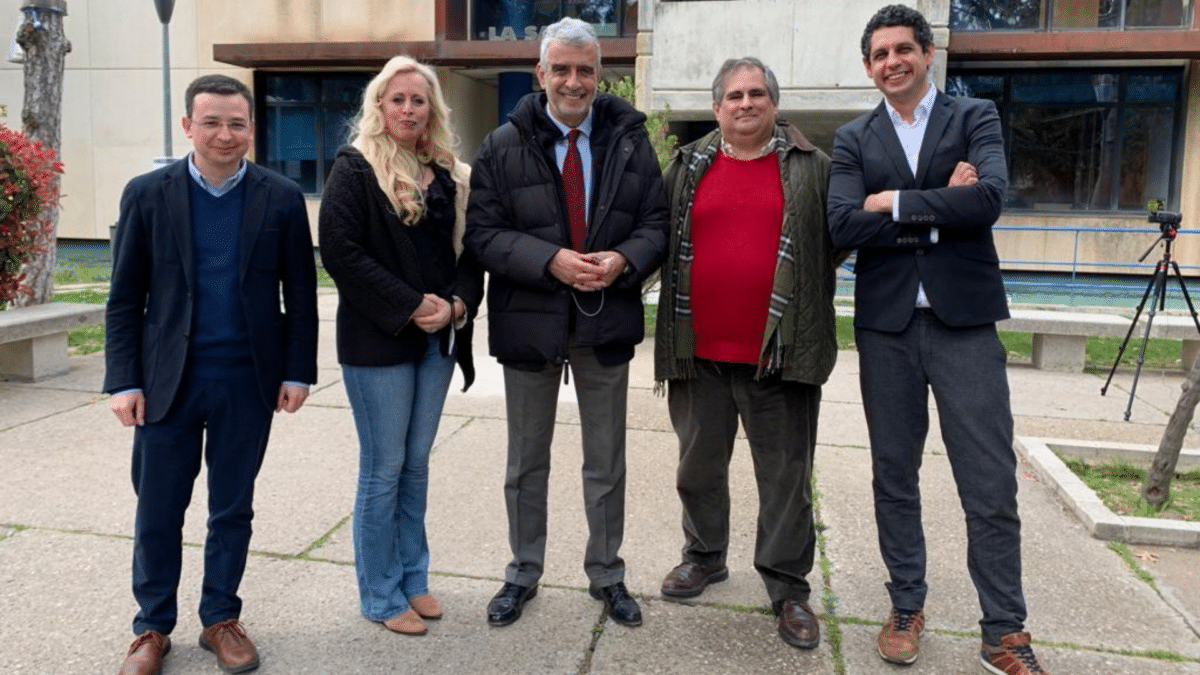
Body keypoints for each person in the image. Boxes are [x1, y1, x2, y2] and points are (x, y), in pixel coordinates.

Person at [827, 5, 1052, 675]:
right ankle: (905, 604)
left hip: (965, 326)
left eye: (903, 49)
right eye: (879, 54)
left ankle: (1004, 630)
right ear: (869, 67)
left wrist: (887, 202)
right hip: (887, 328)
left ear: (927, 54)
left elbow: (987, 201)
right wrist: (933, 205)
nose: (892, 61)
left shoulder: (973, 116)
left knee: (988, 481)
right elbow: (841, 222)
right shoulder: (853, 137)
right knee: (894, 476)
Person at [105, 74, 318, 675]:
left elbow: (300, 293)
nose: (225, 134)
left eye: (237, 123)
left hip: (247, 381)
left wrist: (298, 370)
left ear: (252, 128)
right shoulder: (147, 194)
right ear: (187, 127)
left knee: (232, 507)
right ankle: (151, 627)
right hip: (168, 383)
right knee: (158, 510)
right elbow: (124, 299)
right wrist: (124, 381)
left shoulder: (279, 198)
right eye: (212, 122)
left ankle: (220, 617)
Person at [464, 17, 668, 629]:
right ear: (541, 74)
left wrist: (624, 259)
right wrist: (548, 259)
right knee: (527, 462)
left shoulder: (631, 140)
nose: (573, 82)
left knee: (606, 461)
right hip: (530, 323)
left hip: (605, 323)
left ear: (600, 76)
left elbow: (657, 225)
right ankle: (522, 572)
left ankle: (606, 573)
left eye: (585, 70)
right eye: (562, 69)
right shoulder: (502, 144)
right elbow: (482, 235)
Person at [653, 57, 843, 650]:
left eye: (757, 93)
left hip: (781, 358)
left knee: (785, 480)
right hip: (699, 352)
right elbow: (657, 237)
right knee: (698, 469)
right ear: (716, 108)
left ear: (775, 103)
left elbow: (830, 247)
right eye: (733, 95)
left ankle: (788, 588)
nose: (745, 103)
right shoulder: (685, 168)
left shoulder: (814, 169)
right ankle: (705, 557)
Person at [318, 55, 483, 637]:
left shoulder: (452, 173)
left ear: (431, 109)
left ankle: (414, 578)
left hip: (438, 341)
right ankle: (381, 593)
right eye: (397, 100)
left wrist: (458, 306)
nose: (408, 109)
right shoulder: (355, 167)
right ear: (379, 106)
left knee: (415, 467)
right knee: (384, 469)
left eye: (418, 101)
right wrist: (413, 304)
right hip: (378, 341)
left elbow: (471, 255)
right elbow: (341, 251)